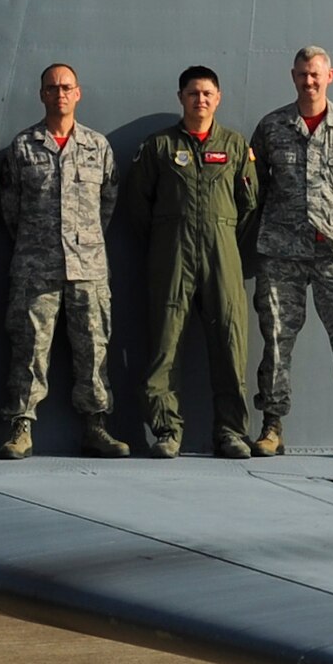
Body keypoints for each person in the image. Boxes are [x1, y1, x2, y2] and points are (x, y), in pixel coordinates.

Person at [250, 46, 333, 463]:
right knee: (276, 340)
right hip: (281, 253)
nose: (308, 82)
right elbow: (255, 187)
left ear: (331, 76)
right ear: (292, 77)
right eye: (301, 75)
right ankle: (272, 426)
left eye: (315, 75)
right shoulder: (272, 128)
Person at [124, 65, 258, 459]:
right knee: (164, 344)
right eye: (192, 93)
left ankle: (231, 431)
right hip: (171, 256)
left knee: (230, 344)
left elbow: (248, 206)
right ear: (180, 97)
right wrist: (169, 236)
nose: (200, 100)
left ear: (218, 99)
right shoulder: (159, 147)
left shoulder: (234, 146)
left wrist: (223, 240)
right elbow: (137, 205)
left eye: (207, 94)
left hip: (222, 257)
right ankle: (167, 430)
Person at [0, 64, 129, 460]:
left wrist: (82, 241)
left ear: (78, 93)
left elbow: (108, 202)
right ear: (41, 95)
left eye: (66, 87)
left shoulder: (97, 146)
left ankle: (95, 427)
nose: (59, 94)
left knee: (93, 348)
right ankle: (21, 427)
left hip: (88, 267)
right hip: (36, 267)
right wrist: (40, 243)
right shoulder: (24, 146)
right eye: (51, 88)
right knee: (29, 349)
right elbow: (10, 208)